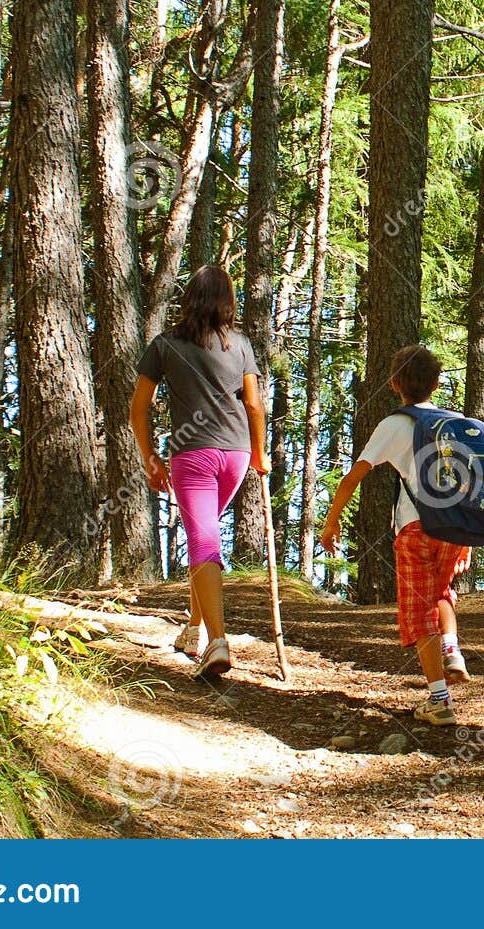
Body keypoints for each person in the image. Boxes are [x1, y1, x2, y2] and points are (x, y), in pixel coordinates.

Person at [319, 345, 478, 727]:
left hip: (414, 528)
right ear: (437, 383)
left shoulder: (395, 424)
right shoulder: (454, 422)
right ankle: (452, 649)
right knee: (440, 594)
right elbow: (470, 481)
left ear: (394, 384)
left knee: (418, 610)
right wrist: (469, 535)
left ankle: (439, 699)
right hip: (454, 527)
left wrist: (332, 518)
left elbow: (355, 474)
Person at [130, 264, 269, 682]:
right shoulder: (240, 345)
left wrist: (150, 457)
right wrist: (259, 454)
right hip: (236, 454)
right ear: (227, 301)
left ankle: (218, 641)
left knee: (203, 540)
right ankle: (195, 627)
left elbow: (138, 409)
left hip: (192, 454)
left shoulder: (164, 345)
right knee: (204, 535)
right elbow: (254, 405)